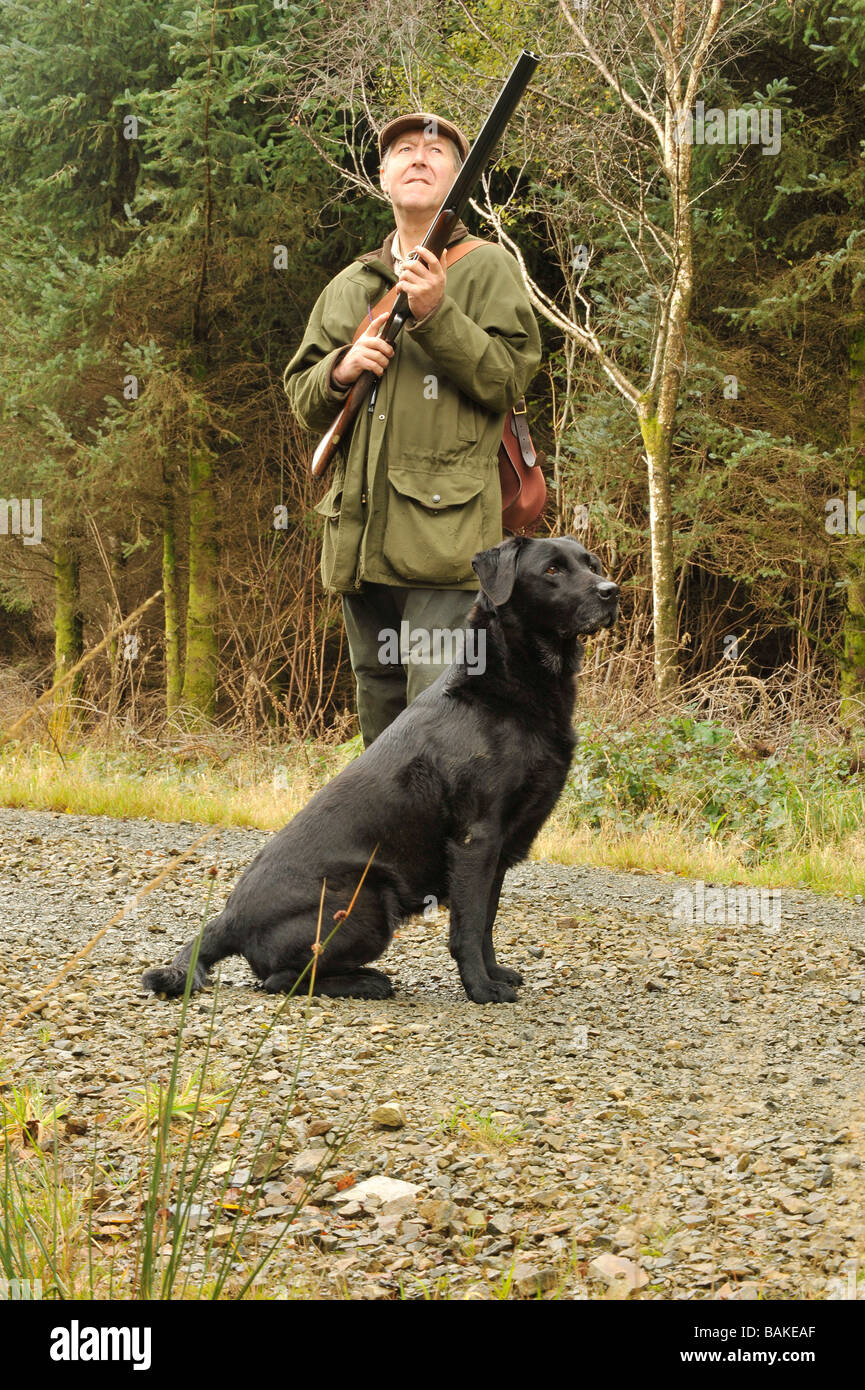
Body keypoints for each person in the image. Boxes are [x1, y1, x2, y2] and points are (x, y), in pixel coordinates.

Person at [283, 111, 541, 746]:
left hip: (446, 542)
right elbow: (303, 399)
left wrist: (435, 314)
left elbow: (508, 379)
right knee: (380, 720)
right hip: (359, 539)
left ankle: (445, 819)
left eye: (435, 150)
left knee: (437, 718)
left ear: (458, 177)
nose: (418, 158)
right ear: (382, 175)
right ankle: (386, 819)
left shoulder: (488, 269)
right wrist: (340, 370)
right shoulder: (351, 285)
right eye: (403, 149)